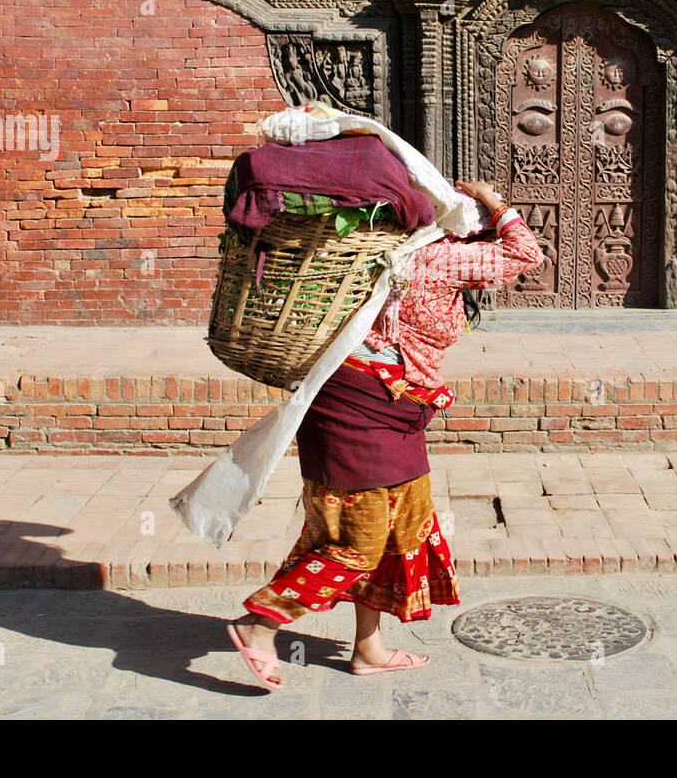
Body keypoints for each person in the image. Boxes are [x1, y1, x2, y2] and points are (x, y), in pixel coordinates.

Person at [227, 177, 545, 688]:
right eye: (476, 228)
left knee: (403, 525)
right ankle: (260, 624)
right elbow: (526, 254)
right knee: (359, 543)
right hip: (362, 410)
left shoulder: (391, 245)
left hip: (392, 405)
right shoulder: (440, 258)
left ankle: (368, 649)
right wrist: (494, 199)